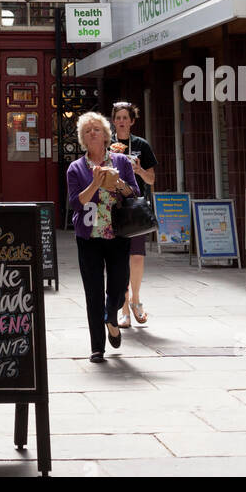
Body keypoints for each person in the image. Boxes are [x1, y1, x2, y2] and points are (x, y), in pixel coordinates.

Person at [67, 111, 138, 364]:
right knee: (93, 292)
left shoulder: (121, 161)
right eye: (88, 131)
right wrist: (96, 184)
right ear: (83, 139)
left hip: (118, 233)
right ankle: (97, 347)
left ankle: (111, 316)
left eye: (97, 129)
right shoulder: (76, 168)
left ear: (106, 135)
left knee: (120, 283)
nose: (93, 133)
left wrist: (117, 184)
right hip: (89, 236)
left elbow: (134, 192)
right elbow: (76, 203)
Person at [110, 102, 157, 327]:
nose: (121, 121)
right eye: (118, 117)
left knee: (137, 256)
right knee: (119, 257)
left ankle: (136, 300)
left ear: (132, 121)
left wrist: (138, 170)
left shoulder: (141, 145)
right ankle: (124, 307)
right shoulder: (107, 144)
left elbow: (151, 179)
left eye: (125, 118)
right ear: (113, 121)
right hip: (113, 206)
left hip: (135, 207)